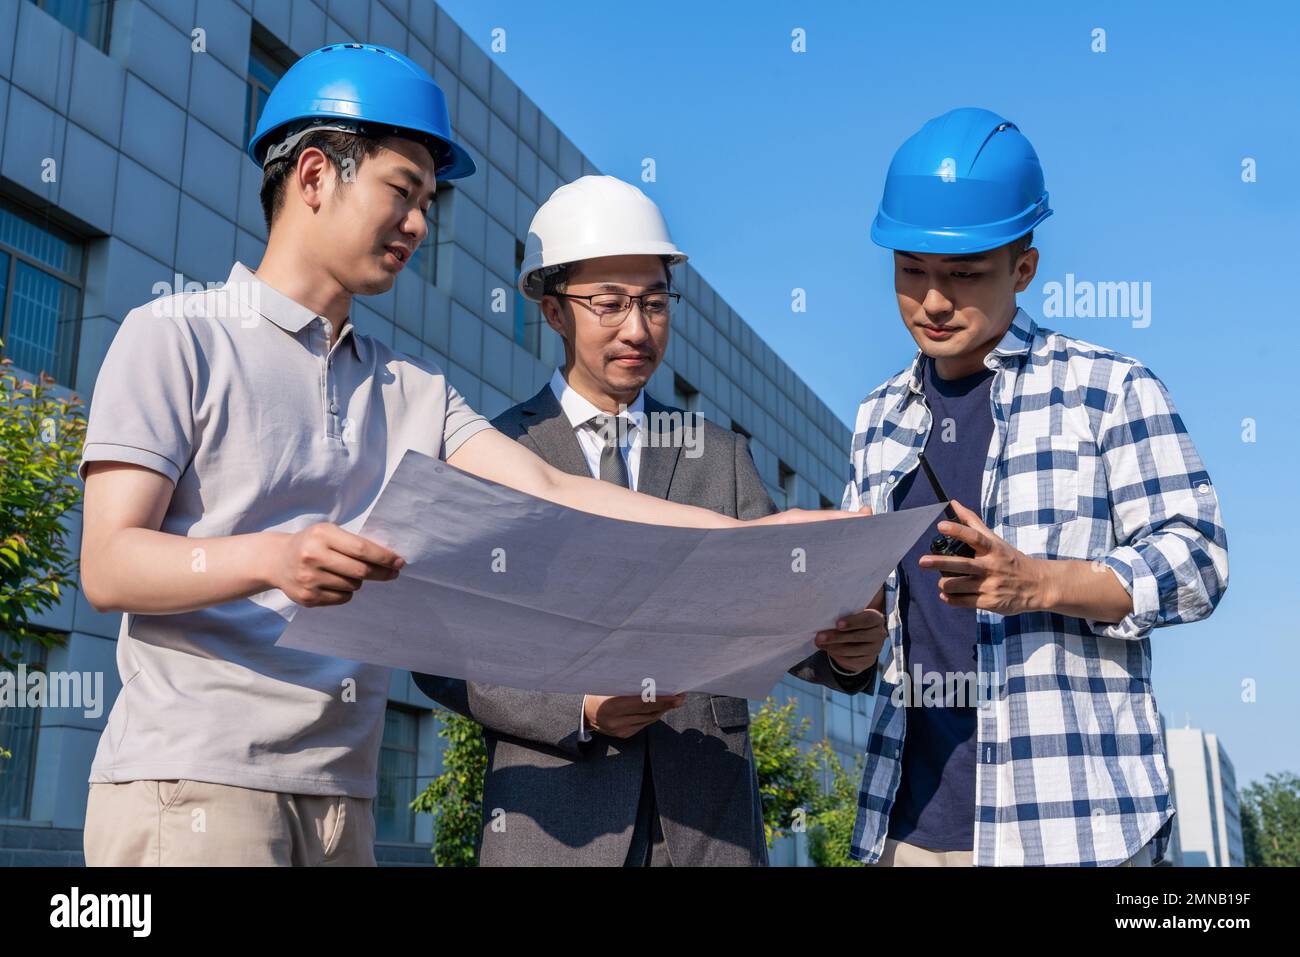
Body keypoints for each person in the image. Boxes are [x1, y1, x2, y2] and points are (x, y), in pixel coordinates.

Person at [77, 44, 850, 867]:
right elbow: (111, 564)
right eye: (401, 192)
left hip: (342, 795)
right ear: (313, 174)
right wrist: (274, 556)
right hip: (195, 786)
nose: (418, 223)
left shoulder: (410, 389)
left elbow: (555, 487)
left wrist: (762, 538)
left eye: (428, 202)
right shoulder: (177, 336)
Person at [416, 176, 883, 866]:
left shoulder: (719, 456)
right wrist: (576, 706)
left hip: (708, 824)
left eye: (656, 304)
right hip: (553, 829)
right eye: (610, 304)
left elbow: (785, 616)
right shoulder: (497, 453)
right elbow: (441, 649)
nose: (638, 328)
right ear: (552, 311)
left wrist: (848, 651)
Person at [843, 107, 1228, 867]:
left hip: (1075, 825)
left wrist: (1039, 582)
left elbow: (1199, 560)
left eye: (962, 274)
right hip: (911, 825)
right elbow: (878, 614)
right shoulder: (877, 417)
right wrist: (851, 635)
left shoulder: (1109, 389)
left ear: (1024, 269)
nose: (933, 300)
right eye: (911, 270)